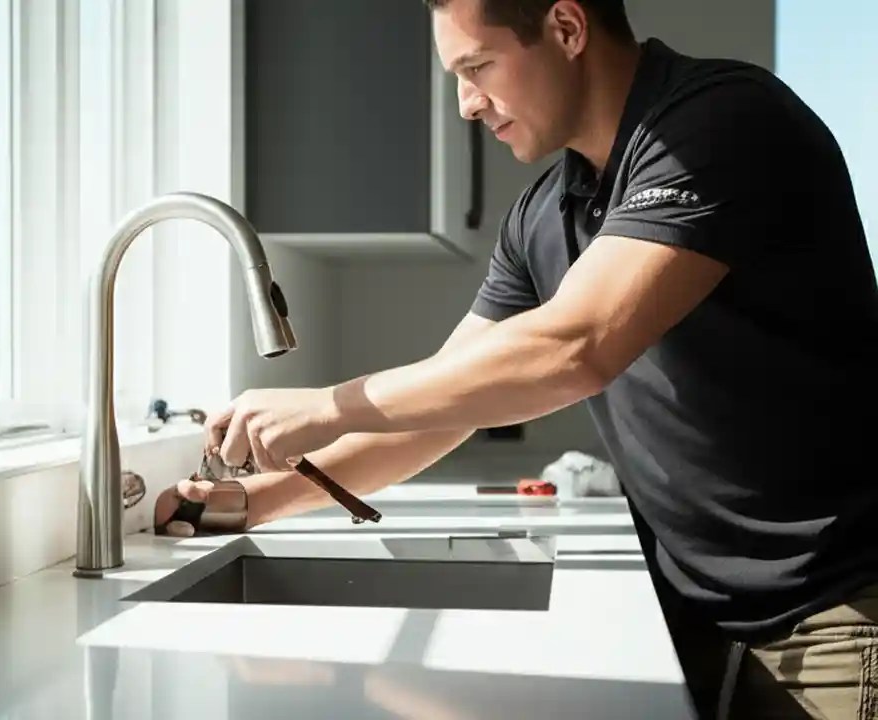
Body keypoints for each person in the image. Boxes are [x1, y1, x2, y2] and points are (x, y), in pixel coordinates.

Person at [154, 0, 878, 718]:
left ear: (566, 29)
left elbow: (576, 345)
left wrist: (324, 405)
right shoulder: (546, 212)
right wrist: (259, 501)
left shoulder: (722, 124)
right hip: (703, 614)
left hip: (835, 618)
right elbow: (445, 407)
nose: (467, 104)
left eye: (478, 66)